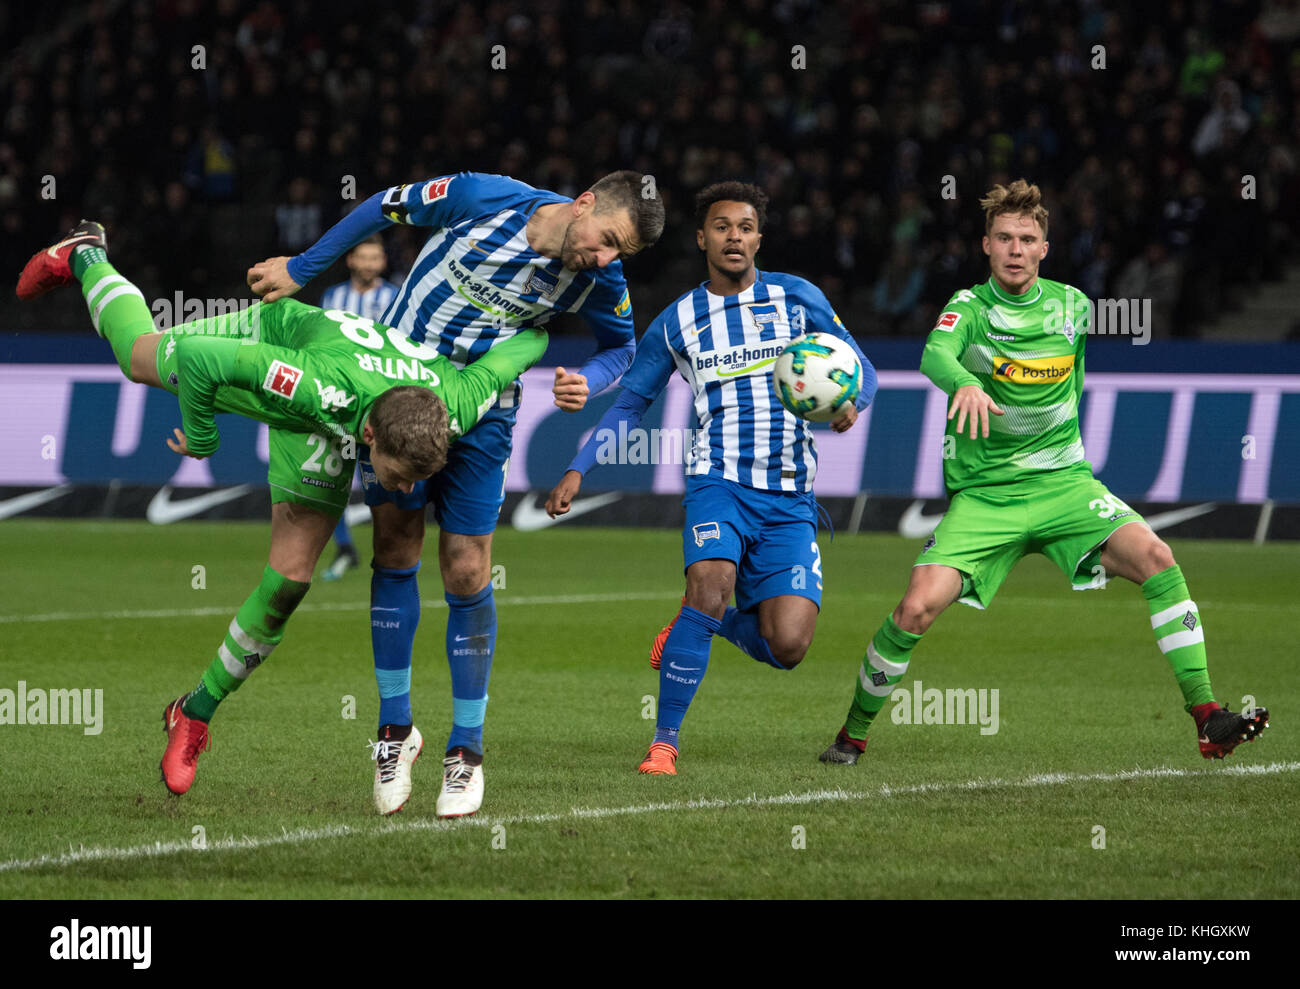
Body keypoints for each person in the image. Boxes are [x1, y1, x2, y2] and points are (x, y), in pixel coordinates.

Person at [16, 220, 548, 806]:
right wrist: (202, 437)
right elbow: (198, 357)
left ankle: (191, 714)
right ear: (371, 436)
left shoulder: (455, 401)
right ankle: (86, 252)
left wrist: (544, 328)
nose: (400, 489)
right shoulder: (309, 384)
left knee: (289, 580)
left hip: (335, 413)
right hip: (282, 350)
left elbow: (524, 347)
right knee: (139, 358)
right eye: (398, 475)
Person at [247, 170, 664, 816]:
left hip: (482, 411)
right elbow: (382, 207)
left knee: (468, 569)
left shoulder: (597, 277)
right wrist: (303, 267)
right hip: (396, 388)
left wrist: (587, 378)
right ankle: (393, 731)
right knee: (393, 550)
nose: (606, 259)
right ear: (583, 204)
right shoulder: (482, 197)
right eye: (607, 239)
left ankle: (465, 751)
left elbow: (622, 349)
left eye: (621, 254)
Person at [817, 180, 1268, 766]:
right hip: (986, 498)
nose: (1014, 248)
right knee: (915, 608)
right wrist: (967, 382)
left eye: (1026, 239)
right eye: (1003, 237)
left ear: (1044, 249)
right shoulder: (969, 308)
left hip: (1065, 487)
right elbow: (934, 353)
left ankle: (1209, 718)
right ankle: (852, 736)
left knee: (1157, 557)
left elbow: (1096, 353)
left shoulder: (1074, 306)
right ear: (985, 245)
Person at [546, 181, 877, 774]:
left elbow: (860, 367)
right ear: (702, 238)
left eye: (746, 227)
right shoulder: (677, 322)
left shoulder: (797, 299)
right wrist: (578, 469)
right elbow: (631, 404)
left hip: (789, 495)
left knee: (790, 647)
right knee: (710, 583)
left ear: (758, 238)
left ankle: (710, 622)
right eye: (722, 227)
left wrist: (853, 402)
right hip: (717, 482)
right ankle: (664, 743)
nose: (734, 237)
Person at [318, 236, 400, 582]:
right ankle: (345, 547)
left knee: (382, 474)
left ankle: (392, 551)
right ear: (351, 260)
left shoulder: (394, 296)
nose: (368, 263)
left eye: (375, 257)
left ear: (382, 262)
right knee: (330, 476)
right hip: (339, 397)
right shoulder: (332, 297)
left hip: (380, 398)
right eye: (362, 257)